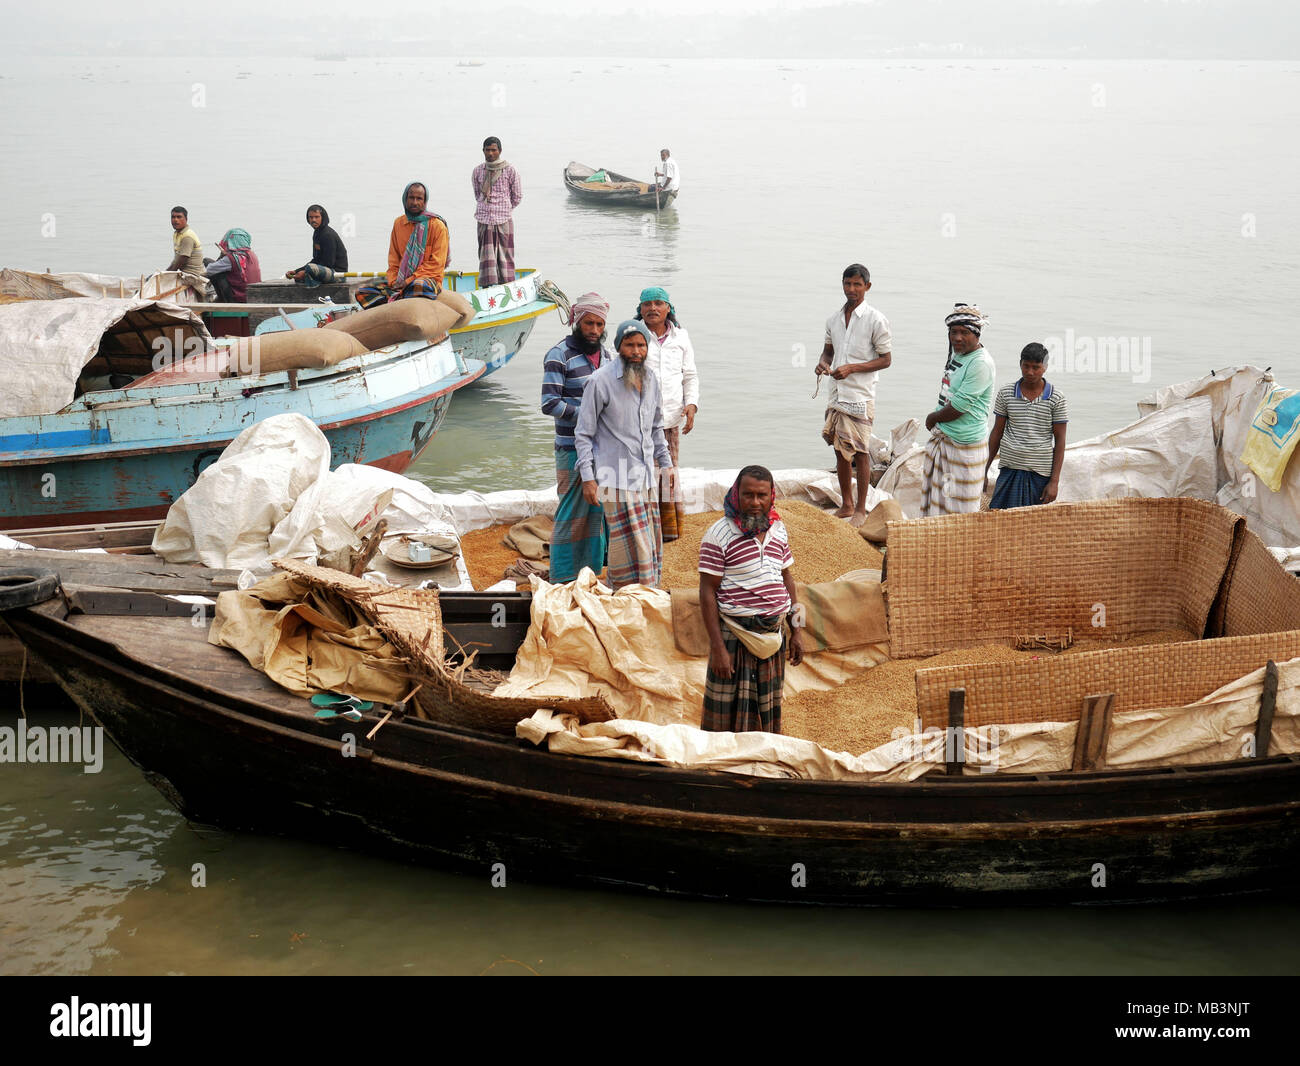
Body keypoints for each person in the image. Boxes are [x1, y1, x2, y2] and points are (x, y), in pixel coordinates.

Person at [699, 466, 804, 734]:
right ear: (737, 494)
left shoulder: (779, 530)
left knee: (768, 708)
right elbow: (707, 592)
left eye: (761, 495)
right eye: (748, 495)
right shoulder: (719, 534)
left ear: (772, 496)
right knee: (726, 716)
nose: (755, 503)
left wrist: (797, 630)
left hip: (773, 634)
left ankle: (763, 757)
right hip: (735, 635)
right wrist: (719, 648)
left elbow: (788, 580)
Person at [574, 320, 675, 590]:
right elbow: (583, 434)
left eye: (641, 345)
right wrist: (588, 478)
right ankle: (625, 597)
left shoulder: (651, 379)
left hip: (645, 477)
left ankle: (647, 595)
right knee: (626, 549)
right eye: (629, 344)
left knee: (650, 543)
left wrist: (667, 465)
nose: (636, 350)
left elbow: (656, 428)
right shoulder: (599, 381)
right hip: (614, 476)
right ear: (619, 346)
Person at [542, 292, 611, 583]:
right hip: (570, 447)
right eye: (589, 324)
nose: (594, 330)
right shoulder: (559, 355)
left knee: (595, 513)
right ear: (576, 323)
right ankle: (561, 577)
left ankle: (590, 573)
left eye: (599, 325)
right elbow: (549, 403)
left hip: (602, 449)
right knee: (570, 512)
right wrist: (588, 413)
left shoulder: (608, 356)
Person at [815, 263, 892, 525]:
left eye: (858, 284)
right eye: (848, 284)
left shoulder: (875, 319)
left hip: (860, 395)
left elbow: (886, 359)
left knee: (860, 452)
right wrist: (823, 363)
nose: (852, 289)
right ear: (843, 285)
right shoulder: (833, 320)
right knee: (840, 450)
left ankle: (861, 508)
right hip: (837, 393)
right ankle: (847, 504)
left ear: (867, 287)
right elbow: (828, 351)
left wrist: (852, 368)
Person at [634, 285, 698, 541]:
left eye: (658, 303)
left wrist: (691, 405)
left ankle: (668, 530)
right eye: (647, 304)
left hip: (670, 418)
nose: (652, 308)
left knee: (668, 473)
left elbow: (690, 375)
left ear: (668, 308)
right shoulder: (635, 335)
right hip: (638, 421)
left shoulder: (680, 337)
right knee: (641, 473)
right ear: (640, 309)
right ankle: (645, 526)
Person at [921, 303, 996, 517]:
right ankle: (937, 546)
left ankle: (961, 549)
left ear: (977, 335)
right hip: (946, 440)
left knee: (960, 509)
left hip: (964, 447)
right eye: (954, 332)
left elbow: (960, 407)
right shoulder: (959, 355)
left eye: (964, 333)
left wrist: (932, 418)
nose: (958, 338)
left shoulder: (980, 363)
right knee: (941, 501)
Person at [984, 342, 1068, 509]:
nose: (1030, 372)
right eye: (1026, 366)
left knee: (1034, 524)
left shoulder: (1056, 398)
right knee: (999, 518)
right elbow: (997, 433)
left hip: (1039, 473)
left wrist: (1054, 481)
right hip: (1009, 470)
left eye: (1036, 367)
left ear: (1045, 367)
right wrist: (983, 470)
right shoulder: (1006, 393)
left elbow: (1060, 441)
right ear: (1020, 364)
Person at [355, 182, 450, 308]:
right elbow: (393, 260)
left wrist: (408, 281)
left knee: (418, 286)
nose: (415, 202)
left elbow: (436, 265)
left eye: (419, 198)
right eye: (411, 198)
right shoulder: (399, 223)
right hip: (401, 281)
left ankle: (399, 301)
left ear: (425, 201)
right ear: (405, 199)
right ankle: (396, 305)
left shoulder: (437, 226)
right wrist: (394, 281)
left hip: (428, 280)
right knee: (363, 292)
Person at [472, 136, 522, 286]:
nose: (490, 153)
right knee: (485, 256)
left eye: (493, 150)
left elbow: (517, 196)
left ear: (499, 151)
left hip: (503, 219)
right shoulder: (478, 171)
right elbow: (477, 195)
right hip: (483, 219)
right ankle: (487, 286)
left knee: (505, 255)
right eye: (487, 150)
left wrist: (504, 208)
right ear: (483, 151)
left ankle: (506, 285)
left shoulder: (510, 170)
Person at [286, 204, 348, 287]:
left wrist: (305, 272)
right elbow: (316, 259)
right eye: (311, 217)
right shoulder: (317, 234)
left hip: (337, 275)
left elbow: (328, 263)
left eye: (316, 217)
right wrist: (296, 271)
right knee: (305, 271)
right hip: (324, 270)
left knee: (309, 269)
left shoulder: (328, 235)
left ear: (323, 217)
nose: (313, 220)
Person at [203, 228, 262, 303]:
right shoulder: (252, 255)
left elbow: (210, 269)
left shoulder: (232, 258)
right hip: (253, 295)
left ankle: (222, 300)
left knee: (208, 263)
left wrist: (222, 256)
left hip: (239, 297)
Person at [166, 206, 204, 276]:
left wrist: (168, 274)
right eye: (173, 217)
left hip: (192, 276)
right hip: (184, 273)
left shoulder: (187, 236)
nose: (175, 220)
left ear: (186, 219)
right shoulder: (177, 234)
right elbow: (176, 260)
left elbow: (182, 260)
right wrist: (165, 272)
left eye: (179, 217)